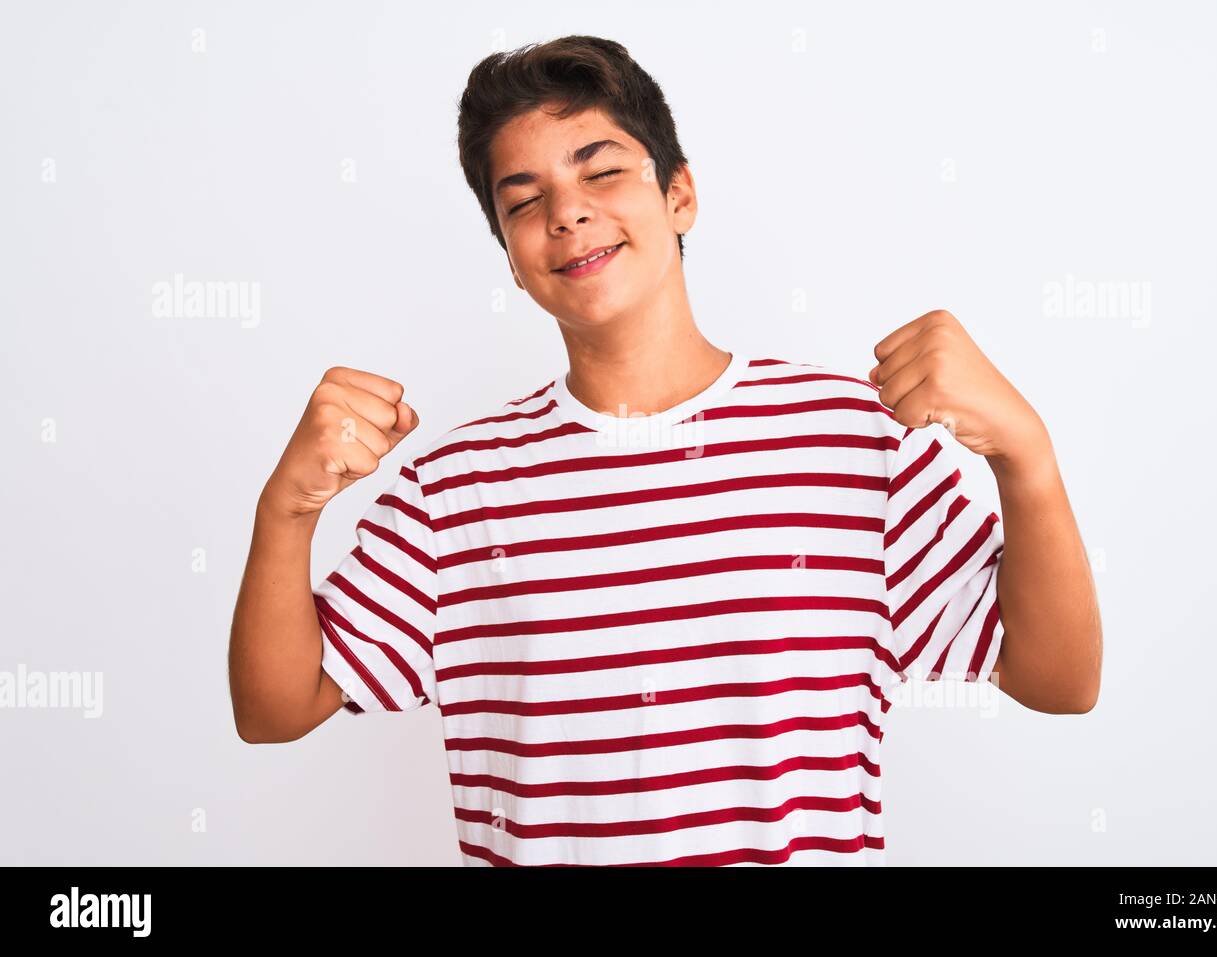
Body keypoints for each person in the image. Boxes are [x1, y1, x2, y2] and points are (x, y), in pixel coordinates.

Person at [228, 35, 1102, 866]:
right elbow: (273, 709)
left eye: (602, 171)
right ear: (510, 255)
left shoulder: (853, 440)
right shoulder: (451, 492)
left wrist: (1025, 454)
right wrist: (285, 510)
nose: (567, 212)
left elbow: (1058, 679)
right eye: (524, 202)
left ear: (679, 195)